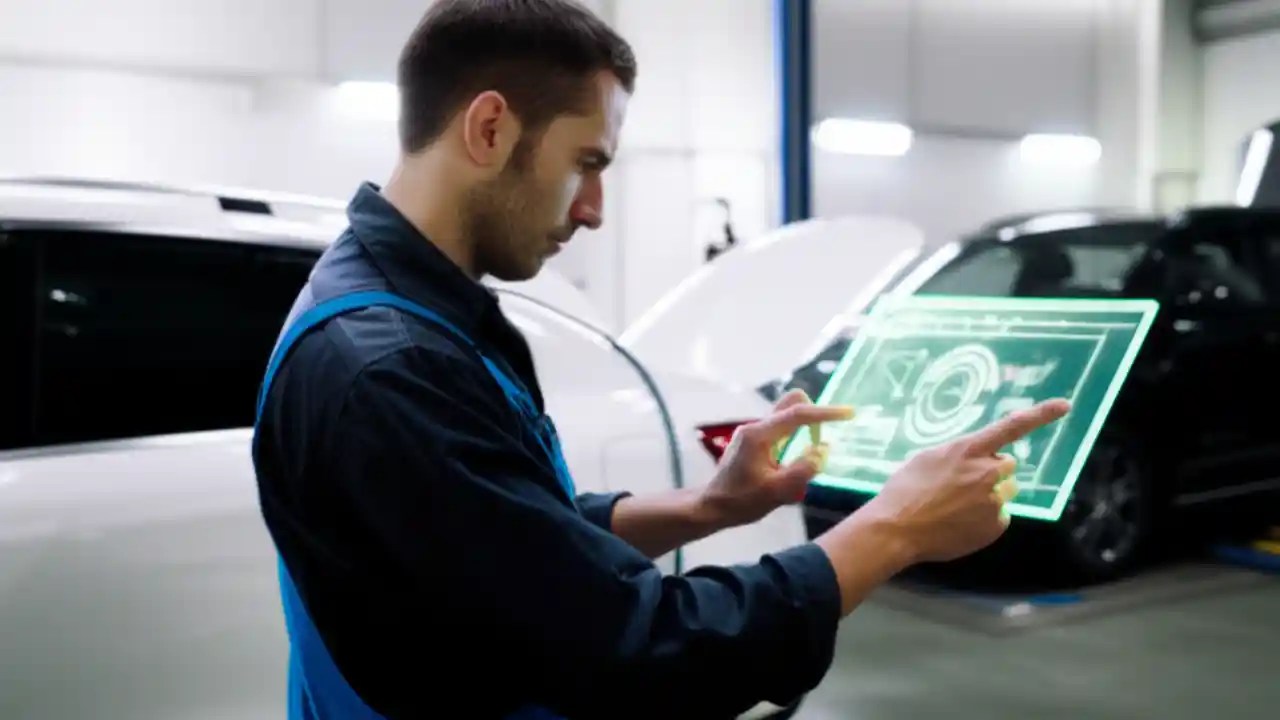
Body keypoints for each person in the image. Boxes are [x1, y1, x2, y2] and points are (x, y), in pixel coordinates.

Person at [250, 1, 1072, 718]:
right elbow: (637, 650)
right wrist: (895, 528)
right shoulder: (392, 369)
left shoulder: (386, 302)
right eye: (587, 163)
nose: (595, 210)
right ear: (490, 129)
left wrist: (706, 508)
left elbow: (512, 539)